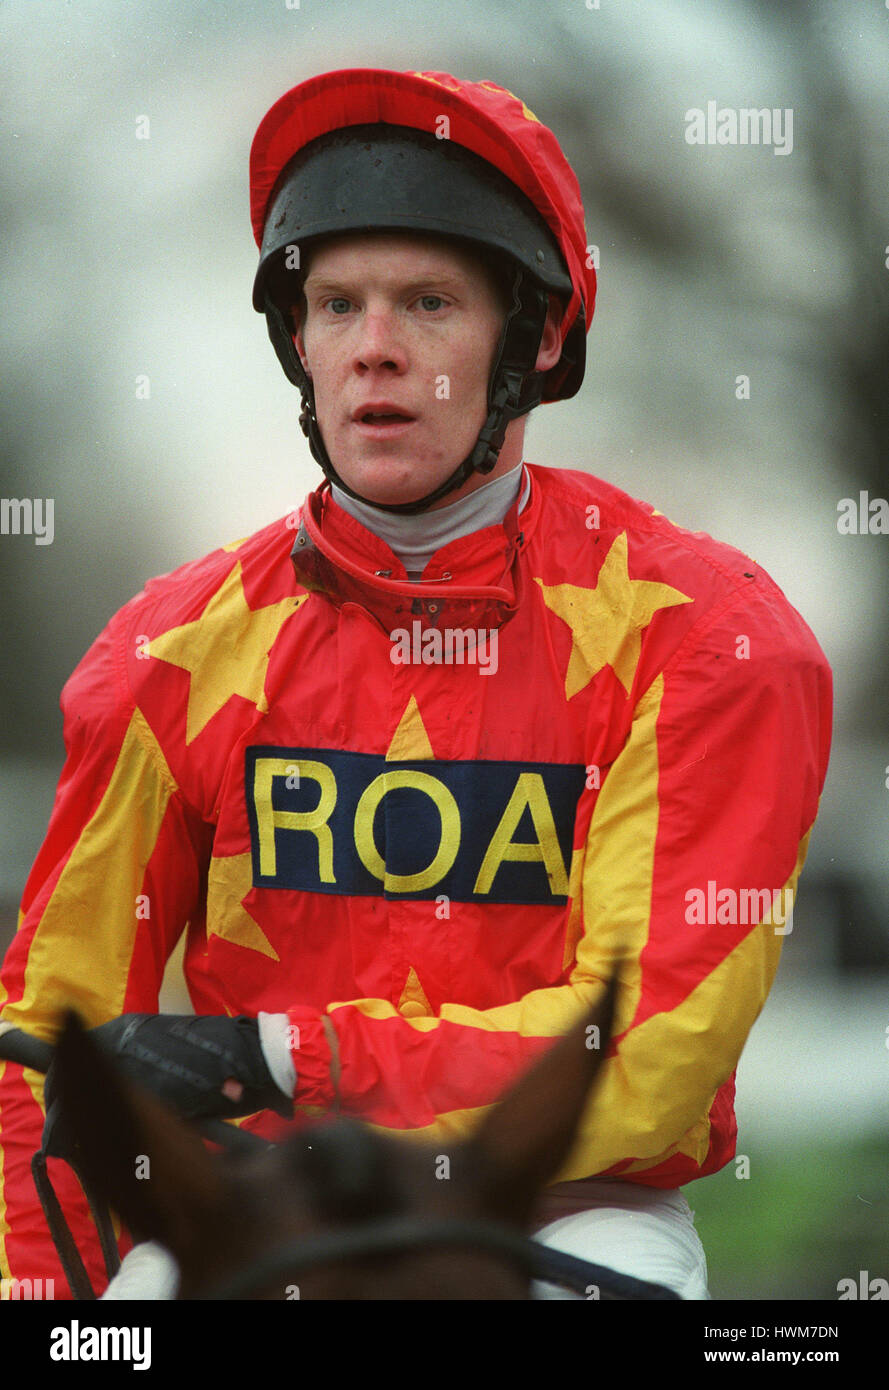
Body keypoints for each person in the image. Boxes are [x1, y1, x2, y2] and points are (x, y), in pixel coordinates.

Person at [0, 67, 832, 1301]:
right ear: (299, 341)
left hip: (565, 1204)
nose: (374, 351)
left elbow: (647, 1047)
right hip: (253, 1205)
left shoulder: (712, 640)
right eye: (336, 304)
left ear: (538, 336)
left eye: (428, 302)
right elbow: (42, 1039)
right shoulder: (166, 651)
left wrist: (293, 1057)